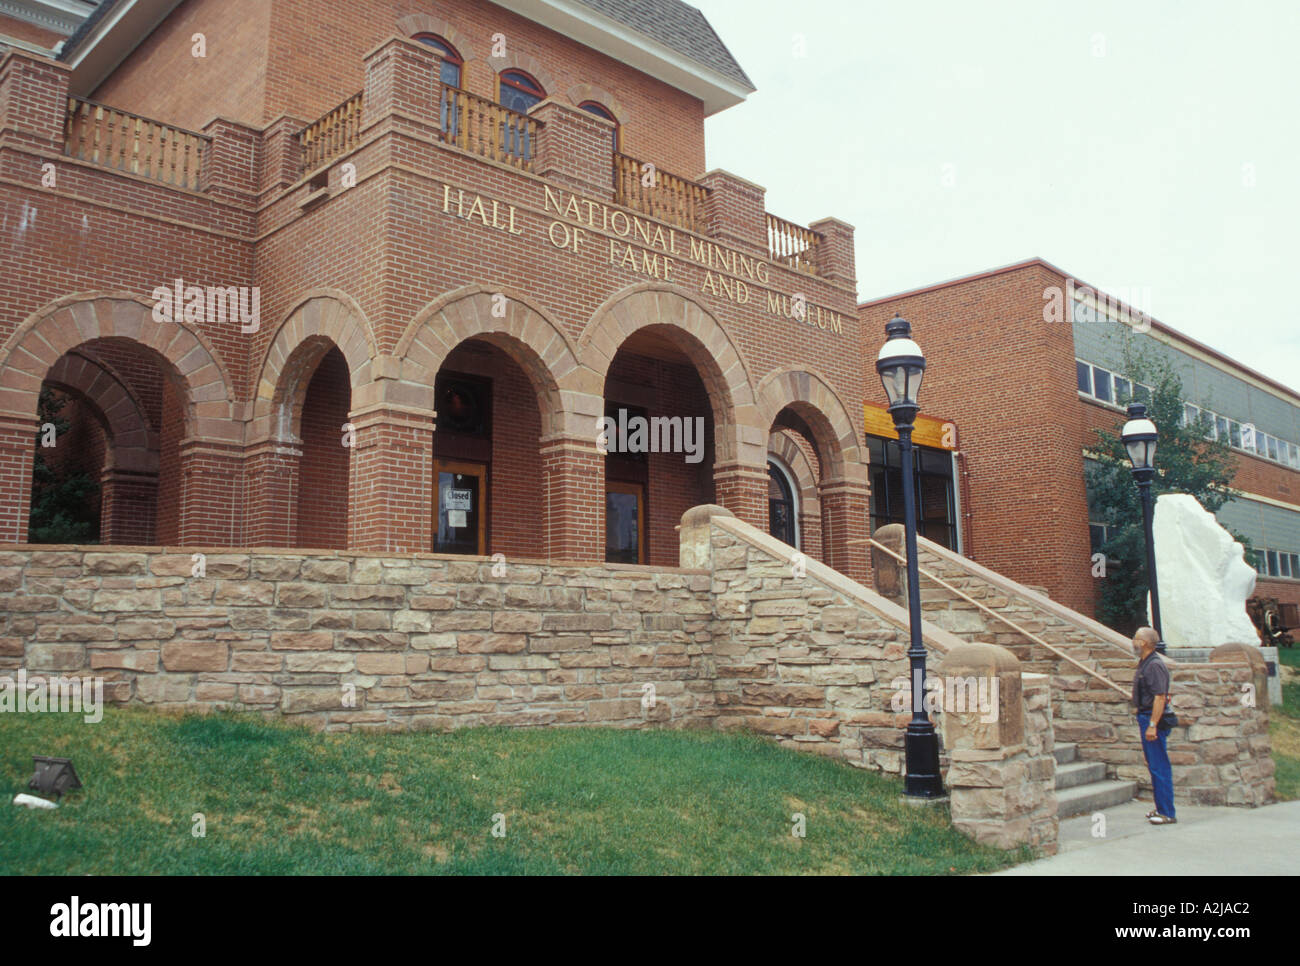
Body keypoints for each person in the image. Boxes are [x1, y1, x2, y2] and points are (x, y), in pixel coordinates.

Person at [1131, 626, 1176, 825]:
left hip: (1152, 719)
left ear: (1144, 643)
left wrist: (1152, 725)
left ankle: (1167, 812)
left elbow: (1159, 697)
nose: (1133, 641)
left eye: (1135, 638)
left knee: (1159, 766)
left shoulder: (1154, 665)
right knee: (1154, 765)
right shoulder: (1144, 663)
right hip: (1145, 716)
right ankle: (1160, 808)